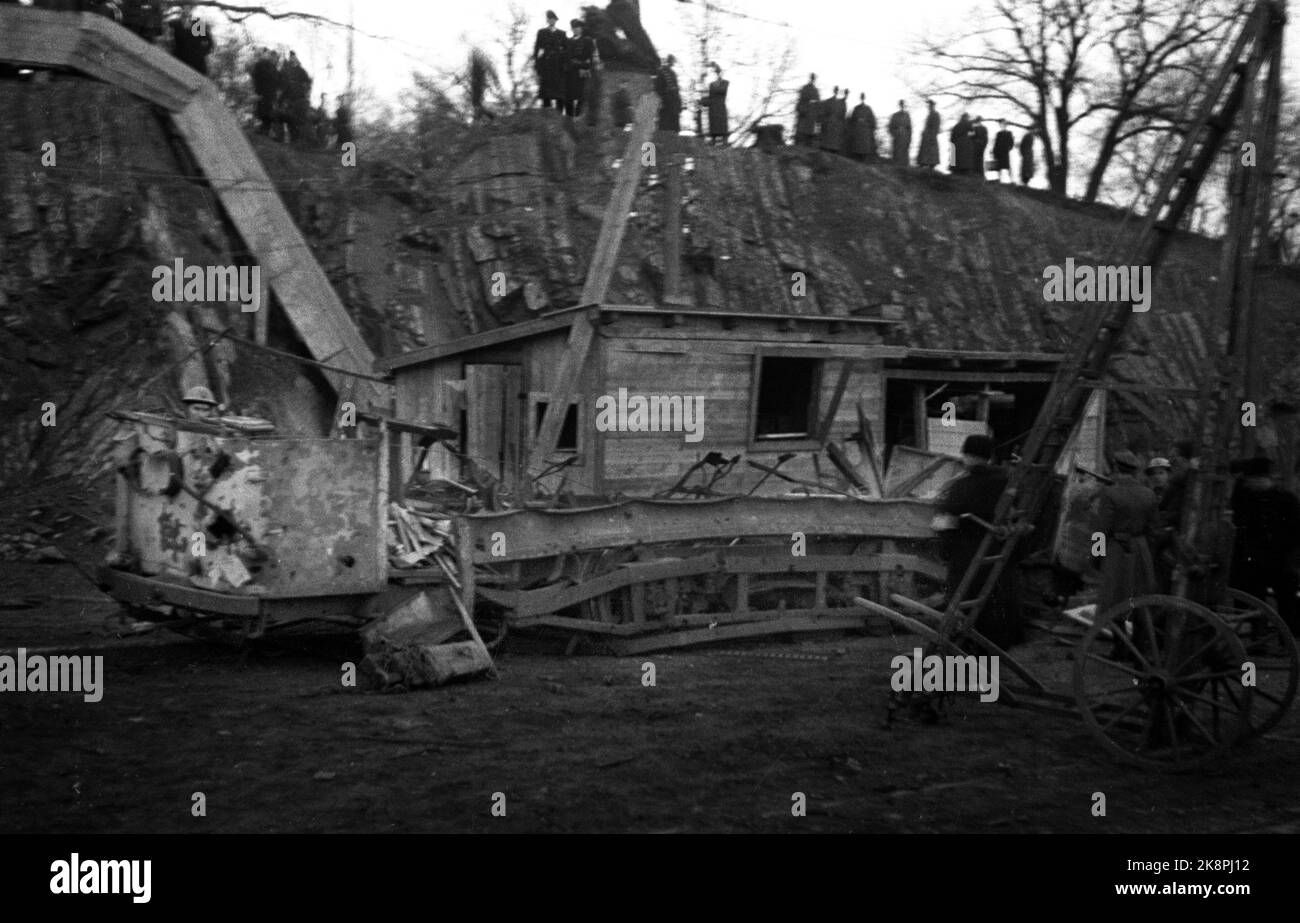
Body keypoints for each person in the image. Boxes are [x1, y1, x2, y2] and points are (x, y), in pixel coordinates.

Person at [932, 434, 1023, 649]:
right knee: (998, 599)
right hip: (999, 550)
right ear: (990, 456)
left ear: (966, 455)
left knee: (962, 596)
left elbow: (946, 520)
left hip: (969, 552)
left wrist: (944, 551)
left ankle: (963, 645)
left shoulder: (962, 485)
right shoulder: (1007, 479)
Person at [1231, 457, 1300, 635]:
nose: (1248, 484)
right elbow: (1240, 525)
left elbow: (1295, 531)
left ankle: (1288, 640)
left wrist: (1282, 549)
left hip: (1281, 559)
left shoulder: (1287, 500)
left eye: (1251, 480)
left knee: (1287, 601)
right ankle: (1259, 638)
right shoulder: (1246, 497)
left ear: (1262, 479)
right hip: (1255, 560)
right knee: (1255, 600)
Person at [1092, 450, 1158, 620]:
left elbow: (1101, 529)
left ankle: (1119, 642)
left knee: (1114, 596)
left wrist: (1096, 556)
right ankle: (1137, 636)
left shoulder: (1110, 493)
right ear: (1135, 471)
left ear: (1115, 467)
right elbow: (1153, 529)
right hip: (1141, 548)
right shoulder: (1149, 493)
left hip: (1117, 549)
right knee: (1138, 596)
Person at [532, 10, 567, 109]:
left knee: (559, 92)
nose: (551, 21)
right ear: (547, 20)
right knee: (546, 91)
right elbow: (537, 49)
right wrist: (537, 64)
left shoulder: (562, 33)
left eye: (553, 19)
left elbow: (566, 50)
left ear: (556, 20)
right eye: (549, 19)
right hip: (546, 64)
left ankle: (559, 114)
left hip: (558, 65)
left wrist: (564, 63)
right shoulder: (541, 32)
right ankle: (546, 111)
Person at [563, 18, 596, 118]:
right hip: (570, 72)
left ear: (581, 29)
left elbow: (590, 58)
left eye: (578, 27)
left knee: (581, 95)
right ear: (572, 29)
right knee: (568, 96)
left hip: (582, 71)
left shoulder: (587, 41)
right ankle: (569, 118)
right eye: (574, 28)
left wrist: (586, 66)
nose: (576, 30)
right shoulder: (568, 42)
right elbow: (565, 57)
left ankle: (578, 116)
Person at [249, 48, 278, 135]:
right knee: (262, 110)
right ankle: (263, 128)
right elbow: (255, 76)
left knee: (266, 111)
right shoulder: (263, 64)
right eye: (273, 57)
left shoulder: (272, 67)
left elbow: (275, 80)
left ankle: (265, 129)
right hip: (263, 92)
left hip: (268, 93)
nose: (275, 59)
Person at [653, 54, 681, 133]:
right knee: (665, 122)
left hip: (673, 101)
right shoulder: (662, 72)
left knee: (674, 123)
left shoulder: (673, 73)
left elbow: (676, 89)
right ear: (669, 61)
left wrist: (678, 102)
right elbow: (658, 88)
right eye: (671, 61)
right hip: (665, 101)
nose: (672, 63)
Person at [847, 93, 876, 161]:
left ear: (864, 98)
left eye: (863, 97)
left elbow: (872, 120)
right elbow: (852, 119)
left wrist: (870, 128)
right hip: (857, 130)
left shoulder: (868, 108)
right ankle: (857, 157)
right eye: (861, 97)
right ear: (860, 98)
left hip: (865, 131)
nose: (862, 98)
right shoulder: (856, 108)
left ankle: (864, 158)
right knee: (857, 146)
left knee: (864, 147)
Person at [706, 62, 729, 146]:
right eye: (715, 73)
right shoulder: (711, 84)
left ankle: (724, 144)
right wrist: (702, 101)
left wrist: (715, 85)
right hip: (713, 109)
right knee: (714, 130)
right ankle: (713, 143)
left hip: (720, 108)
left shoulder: (725, 83)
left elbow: (722, 90)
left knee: (723, 129)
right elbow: (710, 97)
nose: (716, 74)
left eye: (717, 72)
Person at [794, 73, 819, 146]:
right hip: (804, 111)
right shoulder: (805, 88)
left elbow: (817, 101)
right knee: (801, 131)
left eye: (814, 78)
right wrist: (802, 109)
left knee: (809, 132)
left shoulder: (815, 90)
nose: (813, 80)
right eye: (812, 78)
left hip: (812, 113)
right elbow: (801, 99)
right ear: (810, 78)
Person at [820, 87, 846, 154]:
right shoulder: (828, 101)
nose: (836, 92)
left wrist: (841, 124)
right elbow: (824, 113)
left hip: (837, 124)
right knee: (828, 140)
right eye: (835, 90)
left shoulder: (841, 103)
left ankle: (834, 151)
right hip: (829, 122)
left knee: (835, 141)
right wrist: (825, 122)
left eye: (837, 91)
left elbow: (843, 114)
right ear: (834, 91)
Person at [917, 99, 940, 169]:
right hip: (927, 135)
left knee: (931, 151)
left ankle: (931, 165)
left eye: (930, 106)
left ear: (933, 106)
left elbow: (936, 126)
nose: (929, 107)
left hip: (931, 135)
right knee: (925, 151)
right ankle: (923, 164)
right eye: (928, 106)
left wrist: (932, 134)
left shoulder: (935, 114)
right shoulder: (930, 115)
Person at [887, 100, 911, 166]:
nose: (902, 106)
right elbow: (890, 127)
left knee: (904, 154)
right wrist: (896, 133)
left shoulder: (907, 116)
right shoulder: (895, 116)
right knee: (897, 153)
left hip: (905, 137)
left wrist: (909, 138)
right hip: (897, 138)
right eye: (901, 105)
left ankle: (905, 168)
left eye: (903, 105)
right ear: (899, 106)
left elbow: (909, 128)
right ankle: (897, 166)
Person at [970, 116, 989, 180]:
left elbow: (971, 138)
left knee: (975, 161)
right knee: (980, 161)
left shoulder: (973, 128)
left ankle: (976, 175)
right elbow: (986, 139)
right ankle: (981, 175)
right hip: (981, 147)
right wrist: (984, 145)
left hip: (975, 147)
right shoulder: (984, 128)